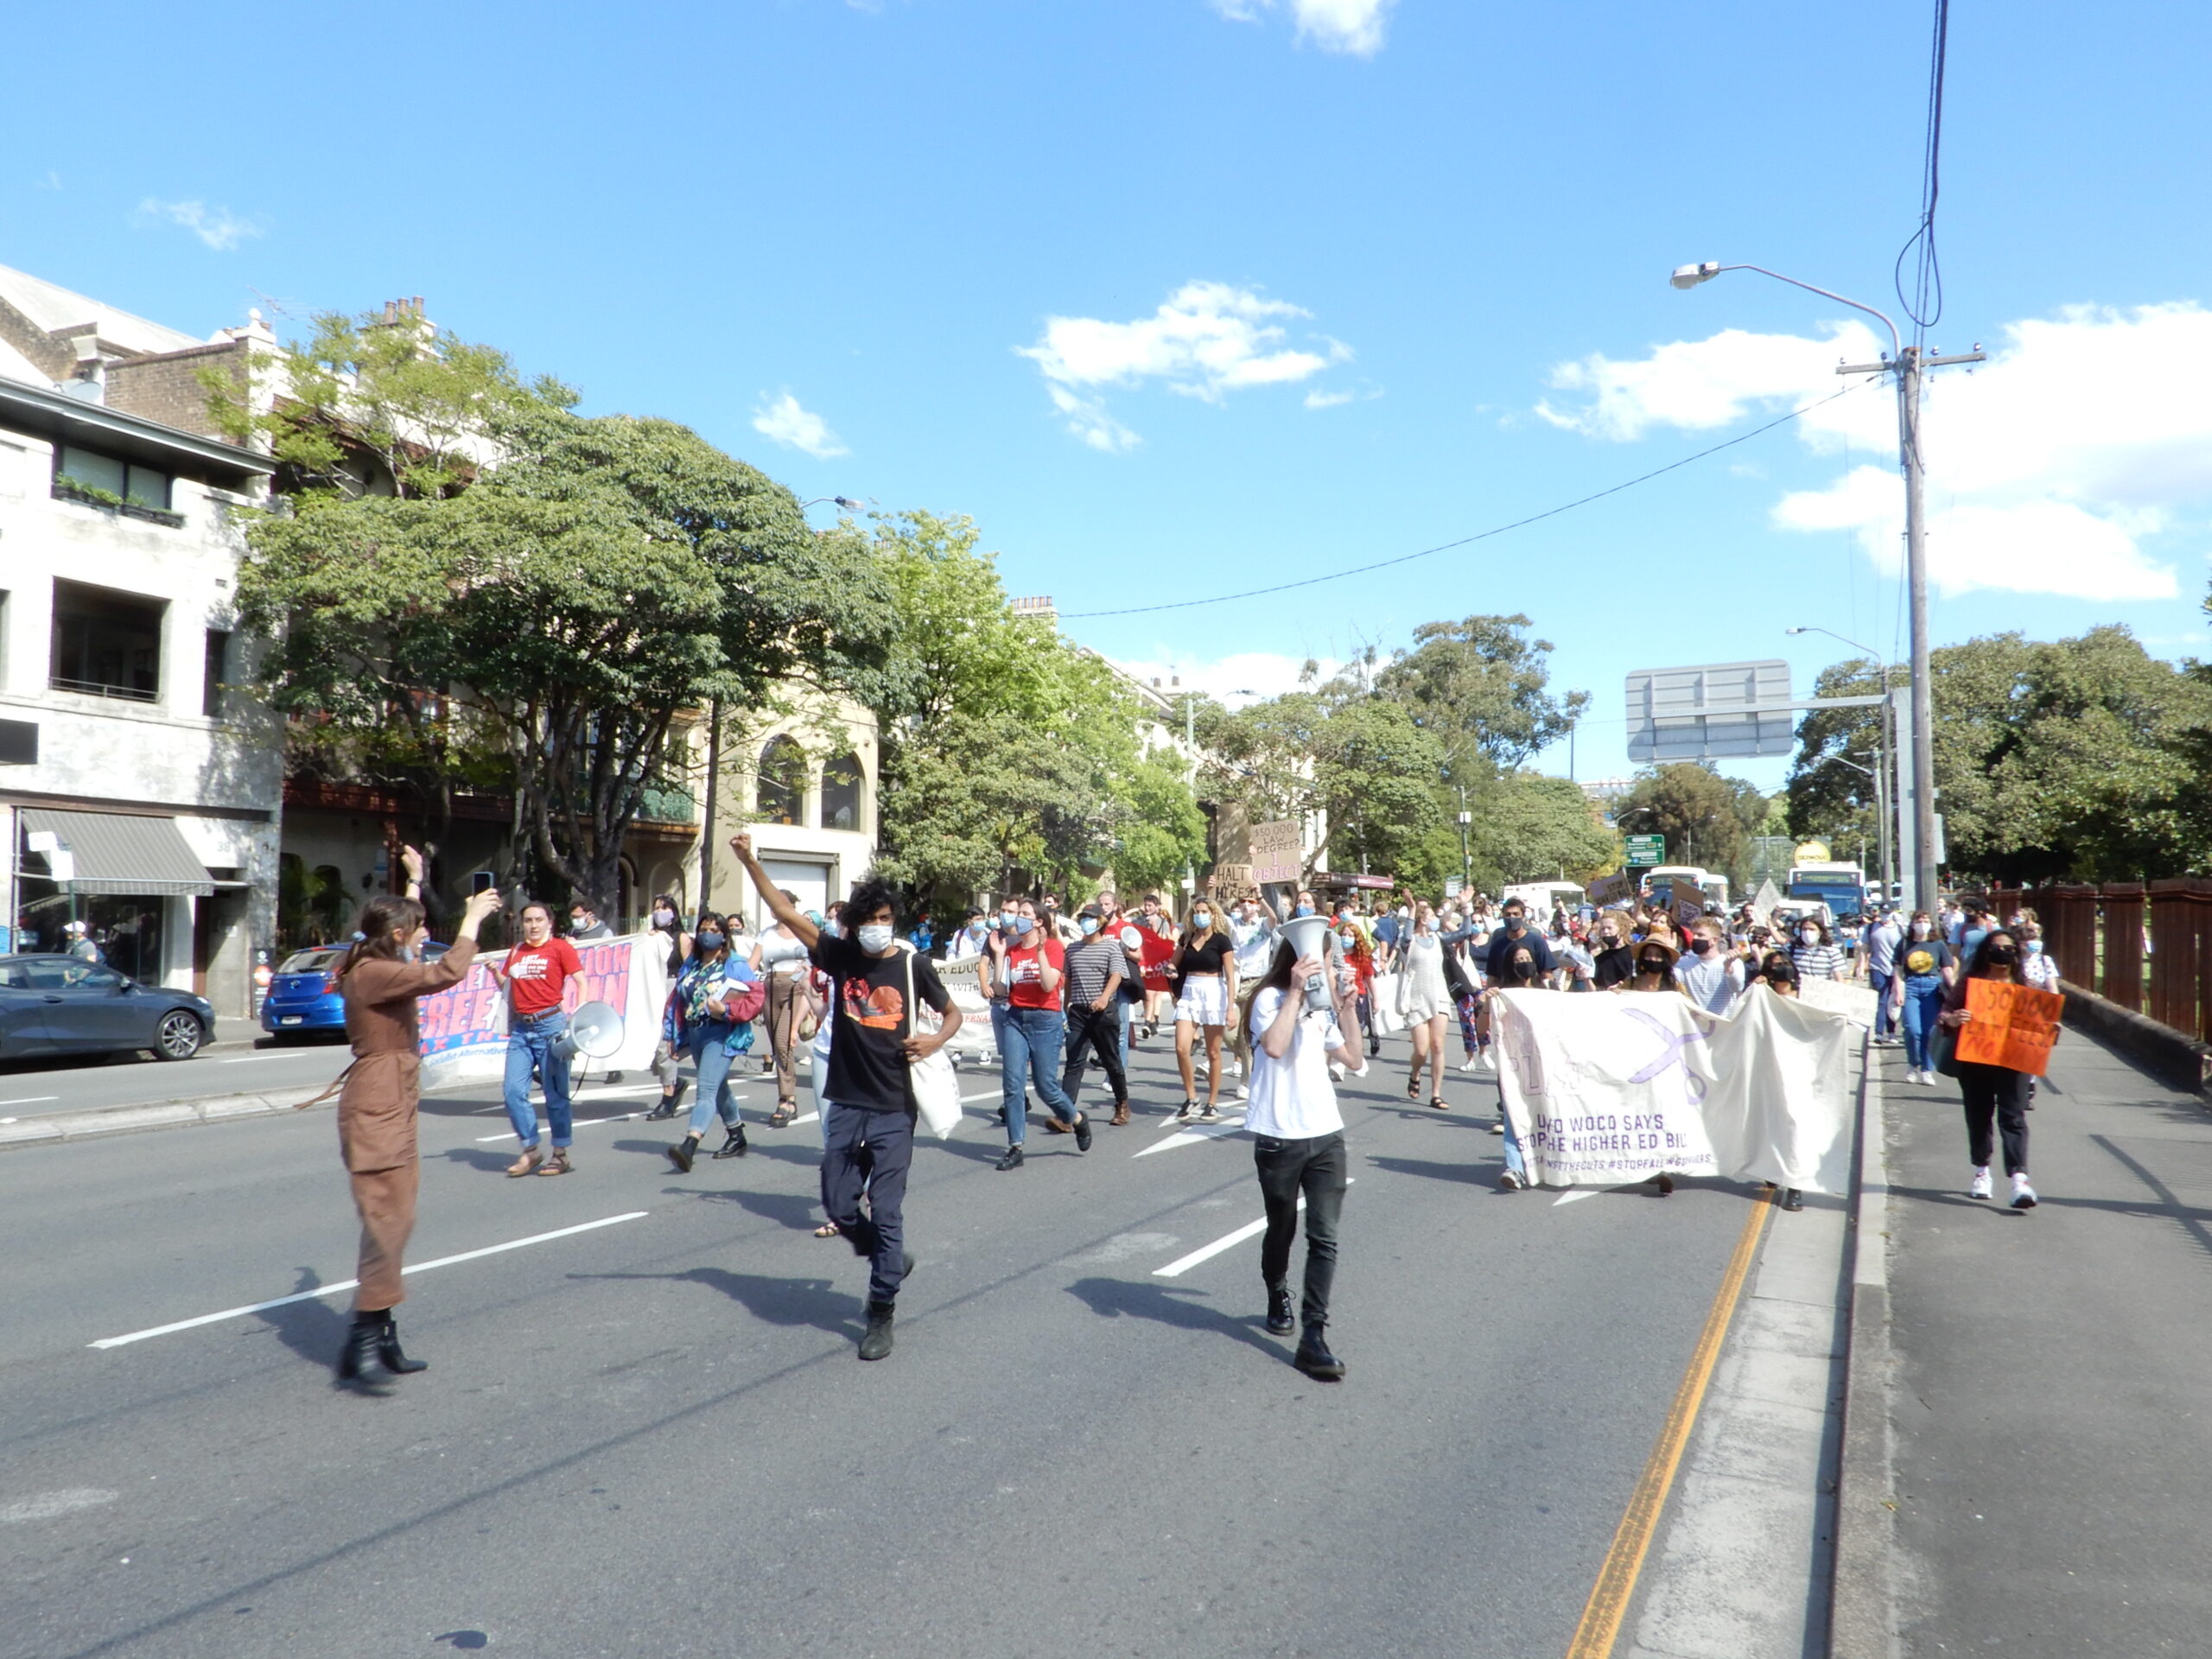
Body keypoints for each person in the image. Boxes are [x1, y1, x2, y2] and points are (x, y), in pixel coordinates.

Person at [731, 832, 962, 1360]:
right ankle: (885, 1255)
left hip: (894, 1107)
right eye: (871, 920)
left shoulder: (913, 965)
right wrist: (749, 860)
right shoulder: (840, 957)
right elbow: (785, 913)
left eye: (887, 918)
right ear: (854, 925)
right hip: (847, 1101)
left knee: (887, 1208)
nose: (880, 927)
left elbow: (950, 1014)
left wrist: (934, 1041)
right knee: (838, 1204)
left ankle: (881, 1310)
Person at [330, 879, 503, 1384]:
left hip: (394, 1098)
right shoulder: (372, 973)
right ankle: (366, 1334)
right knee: (387, 1218)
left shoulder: (381, 964)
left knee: (397, 1217)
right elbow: (445, 972)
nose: (425, 934)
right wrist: (471, 921)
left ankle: (380, 1333)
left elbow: (411, 953)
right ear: (398, 934)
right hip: (378, 1101)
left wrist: (415, 878)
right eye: (419, 928)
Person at [1245, 938, 1365, 1380]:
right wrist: (1295, 992)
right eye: (1322, 962)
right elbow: (1275, 1046)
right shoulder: (1269, 999)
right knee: (1281, 1228)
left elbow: (1353, 1057)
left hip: (1326, 1134)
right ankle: (1277, 1290)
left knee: (1324, 1237)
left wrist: (1347, 1010)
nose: (1326, 971)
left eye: (1328, 963)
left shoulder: (1321, 1010)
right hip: (1280, 1137)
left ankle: (1314, 1336)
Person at [1940, 929, 2050, 1209]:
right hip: (1976, 1059)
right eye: (1997, 947)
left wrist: (2049, 1030)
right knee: (1979, 1115)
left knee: (2013, 1117)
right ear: (1986, 952)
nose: (2003, 953)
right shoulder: (1970, 984)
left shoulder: (2027, 986)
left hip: (2014, 1060)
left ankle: (2019, 1180)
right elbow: (1945, 1013)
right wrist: (1953, 1019)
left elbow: (2041, 1024)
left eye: (2009, 948)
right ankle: (1982, 1171)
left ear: (2016, 954)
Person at [663, 912, 763, 1172]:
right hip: (695, 1033)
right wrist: (671, 1034)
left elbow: (754, 998)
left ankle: (690, 1143)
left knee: (706, 1089)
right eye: (704, 929)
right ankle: (737, 1135)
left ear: (724, 936)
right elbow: (677, 1000)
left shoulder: (735, 964)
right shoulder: (692, 964)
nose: (708, 935)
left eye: (715, 930)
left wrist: (726, 1011)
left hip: (721, 1033)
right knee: (719, 1087)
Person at [493, 902, 583, 1179]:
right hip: (522, 1029)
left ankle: (560, 1154)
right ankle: (531, 1149)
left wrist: (579, 1016)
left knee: (555, 1095)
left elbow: (581, 981)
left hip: (550, 1026)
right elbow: (508, 988)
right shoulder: (517, 951)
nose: (533, 925)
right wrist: (494, 973)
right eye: (528, 920)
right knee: (512, 1091)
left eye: (538, 920)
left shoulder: (560, 948)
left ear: (549, 923)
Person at [995, 899, 1088, 1169]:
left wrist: (1039, 952)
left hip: (1045, 1020)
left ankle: (1077, 1119)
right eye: (1018, 913)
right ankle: (1016, 1147)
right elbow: (1000, 990)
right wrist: (999, 955)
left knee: (1045, 1087)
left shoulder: (1054, 947)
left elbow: (1049, 985)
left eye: (1025, 914)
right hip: (1015, 1018)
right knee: (1012, 1084)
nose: (1018, 918)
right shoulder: (1012, 950)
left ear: (1038, 921)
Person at [1484, 944, 1549, 1186]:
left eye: (1527, 958)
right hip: (1513, 1065)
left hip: (1543, 1065)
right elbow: (1482, 1028)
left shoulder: (1546, 992)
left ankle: (1547, 1162)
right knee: (1513, 1115)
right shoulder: (1503, 995)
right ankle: (1515, 1167)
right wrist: (1486, 1004)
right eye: (1518, 960)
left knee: (1544, 1113)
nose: (1524, 963)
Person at [1060, 904, 1131, 1126]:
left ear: (1100, 921)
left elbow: (1117, 974)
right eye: (1083, 918)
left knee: (1111, 1061)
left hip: (1103, 1013)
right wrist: (1065, 1005)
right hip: (1078, 1012)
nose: (1086, 922)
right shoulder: (1072, 949)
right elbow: (1069, 979)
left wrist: (1104, 997)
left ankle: (1122, 1104)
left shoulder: (1111, 947)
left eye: (1090, 918)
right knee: (1074, 1062)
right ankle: (1066, 1114)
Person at [1171, 899, 1236, 1120]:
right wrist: (1170, 970)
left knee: (1213, 1052)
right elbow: (1173, 963)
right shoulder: (1186, 938)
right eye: (1196, 912)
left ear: (1213, 914)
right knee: (1181, 1047)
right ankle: (1191, 1096)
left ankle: (1212, 1101)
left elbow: (1230, 976)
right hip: (1190, 991)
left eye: (1204, 911)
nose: (1200, 915)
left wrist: (1230, 1009)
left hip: (1213, 991)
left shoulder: (1222, 941)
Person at [753, 896, 814, 1127]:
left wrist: (799, 976)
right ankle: (790, 1099)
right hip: (770, 987)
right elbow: (751, 965)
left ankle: (785, 1099)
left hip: (795, 988)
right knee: (778, 1048)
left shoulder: (803, 932)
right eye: (774, 907)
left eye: (785, 905)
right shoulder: (765, 935)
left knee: (783, 1042)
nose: (778, 910)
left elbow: (813, 964)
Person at [1395, 901, 1454, 1109]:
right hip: (1416, 998)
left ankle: (1436, 1094)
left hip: (1439, 995)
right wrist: (1412, 909)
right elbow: (1406, 937)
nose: (1435, 920)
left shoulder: (1438, 938)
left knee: (1437, 1045)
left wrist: (1462, 906)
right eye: (1431, 916)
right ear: (1422, 919)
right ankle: (1415, 1072)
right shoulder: (1409, 941)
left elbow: (1464, 932)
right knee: (1421, 1051)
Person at [644, 893, 694, 1120]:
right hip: (652, 991)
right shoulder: (650, 937)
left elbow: (689, 969)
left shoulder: (680, 938)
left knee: (665, 1046)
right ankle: (675, 1081)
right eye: (656, 908)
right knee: (652, 1051)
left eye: (664, 908)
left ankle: (668, 1097)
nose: (660, 912)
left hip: (672, 990)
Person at [1891, 912, 1955, 1086]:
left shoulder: (1938, 944)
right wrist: (1898, 991)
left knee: (1929, 1031)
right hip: (1911, 986)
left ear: (1931, 924)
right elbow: (1897, 970)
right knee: (1912, 1030)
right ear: (1912, 924)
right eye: (1919, 921)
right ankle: (1913, 1064)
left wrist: (1954, 991)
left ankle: (1927, 1070)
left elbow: (1947, 969)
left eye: (1926, 921)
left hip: (1932, 987)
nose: (1922, 924)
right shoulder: (1905, 943)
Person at [1674, 918, 1745, 1015]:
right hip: (1696, 1022)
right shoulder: (1683, 963)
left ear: (1714, 940)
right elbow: (1672, 983)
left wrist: (1728, 969)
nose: (1695, 938)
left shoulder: (1733, 962)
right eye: (1693, 934)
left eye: (1700, 935)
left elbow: (1737, 988)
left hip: (1722, 1021)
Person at [1864, 909, 1904, 1046]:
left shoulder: (1900, 929)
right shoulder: (1871, 928)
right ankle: (1879, 1033)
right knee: (1882, 1000)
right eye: (1883, 912)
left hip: (1896, 969)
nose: (1885, 915)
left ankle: (1891, 1032)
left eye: (1887, 912)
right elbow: (1865, 946)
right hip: (1877, 967)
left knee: (1893, 1001)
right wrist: (1861, 965)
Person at [1789, 917, 1847, 982]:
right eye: (1804, 929)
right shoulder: (1794, 950)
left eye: (1812, 929)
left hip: (1822, 987)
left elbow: (1839, 979)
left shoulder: (1832, 952)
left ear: (1820, 931)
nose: (1807, 932)